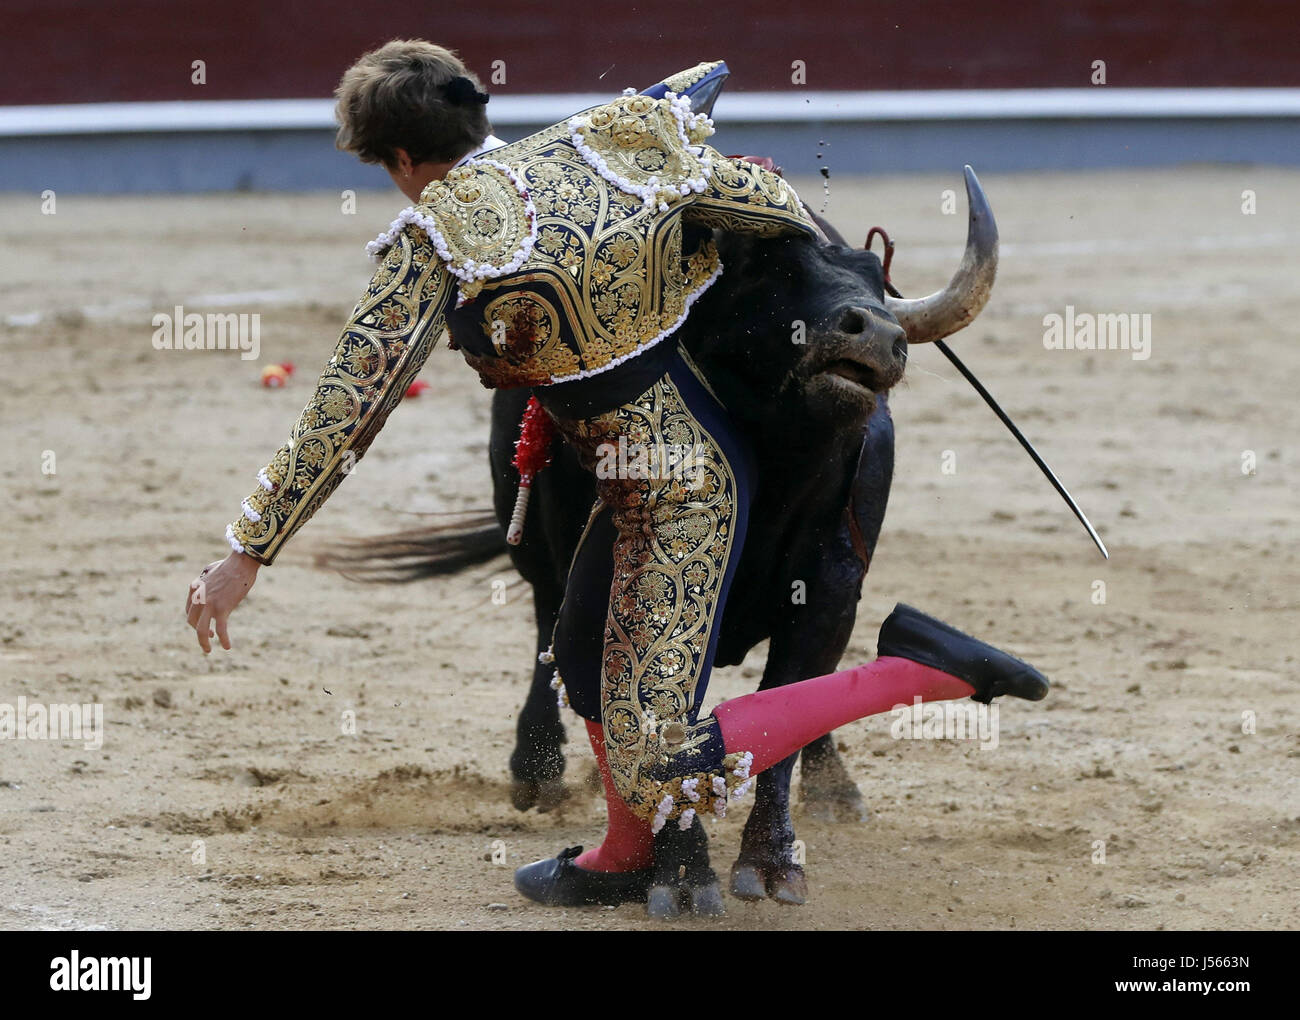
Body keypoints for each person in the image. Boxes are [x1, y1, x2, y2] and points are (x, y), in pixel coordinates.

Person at [185, 40, 1049, 909]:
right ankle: (622, 855)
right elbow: (764, 200)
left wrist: (249, 552)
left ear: (402, 161)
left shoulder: (439, 239)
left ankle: (924, 670)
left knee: (659, 755)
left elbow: (347, 406)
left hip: (681, 495)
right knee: (584, 663)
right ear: (476, 119)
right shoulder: (613, 140)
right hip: (640, 481)